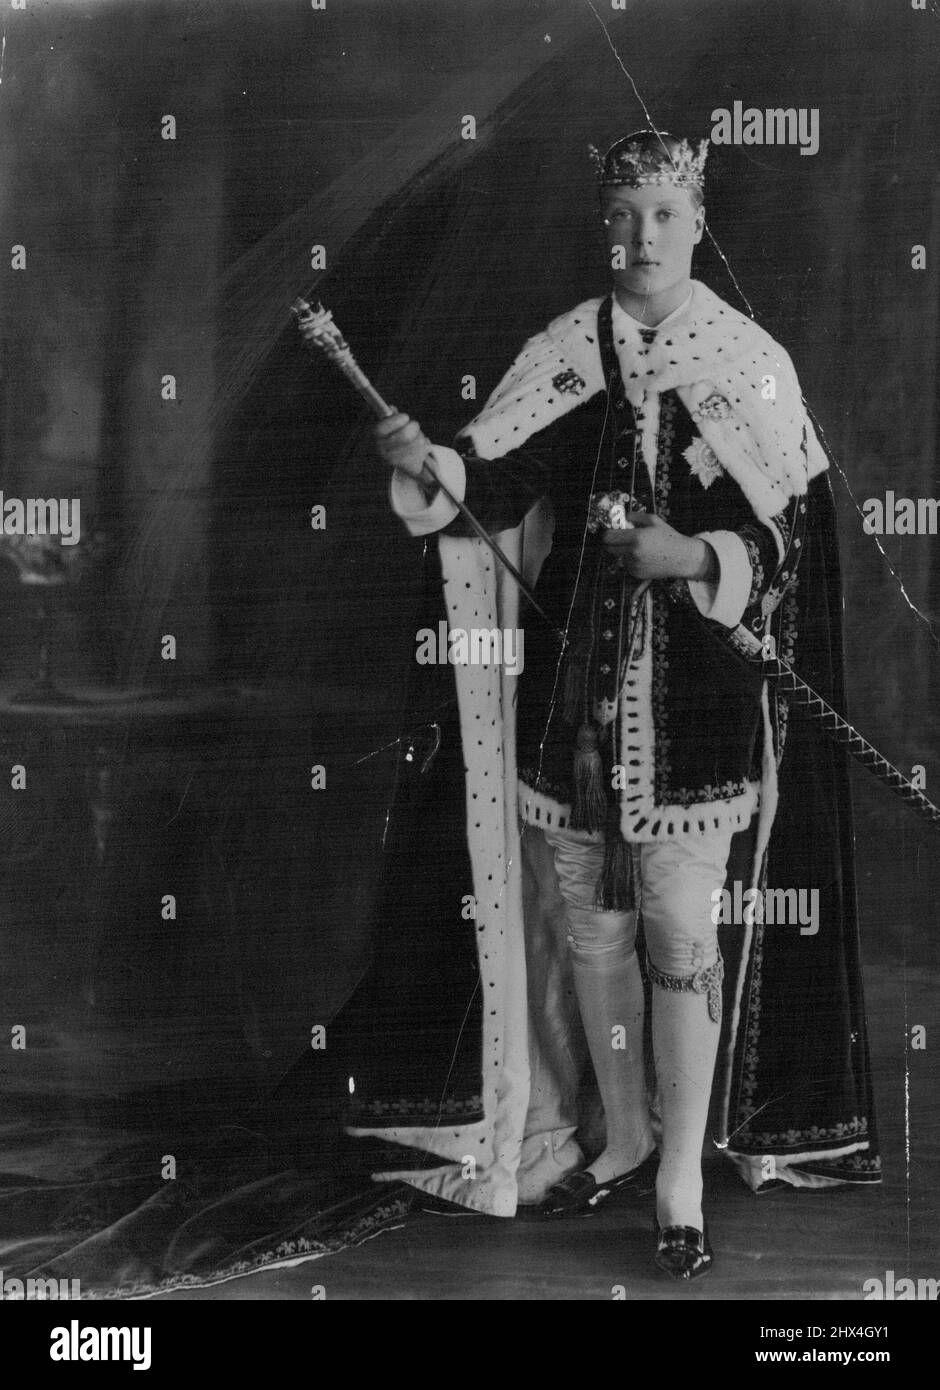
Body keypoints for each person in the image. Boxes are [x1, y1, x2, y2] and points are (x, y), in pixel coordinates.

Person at [359, 129, 879, 1280]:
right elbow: (488, 487)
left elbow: (788, 543)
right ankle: (629, 1129)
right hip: (567, 708)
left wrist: (690, 550)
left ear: (696, 222)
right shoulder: (564, 352)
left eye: (661, 214)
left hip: (695, 713)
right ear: (605, 225)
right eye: (623, 215)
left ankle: (682, 1176)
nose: (640, 237)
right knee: (592, 926)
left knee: (680, 936)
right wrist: (427, 463)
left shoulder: (748, 363)